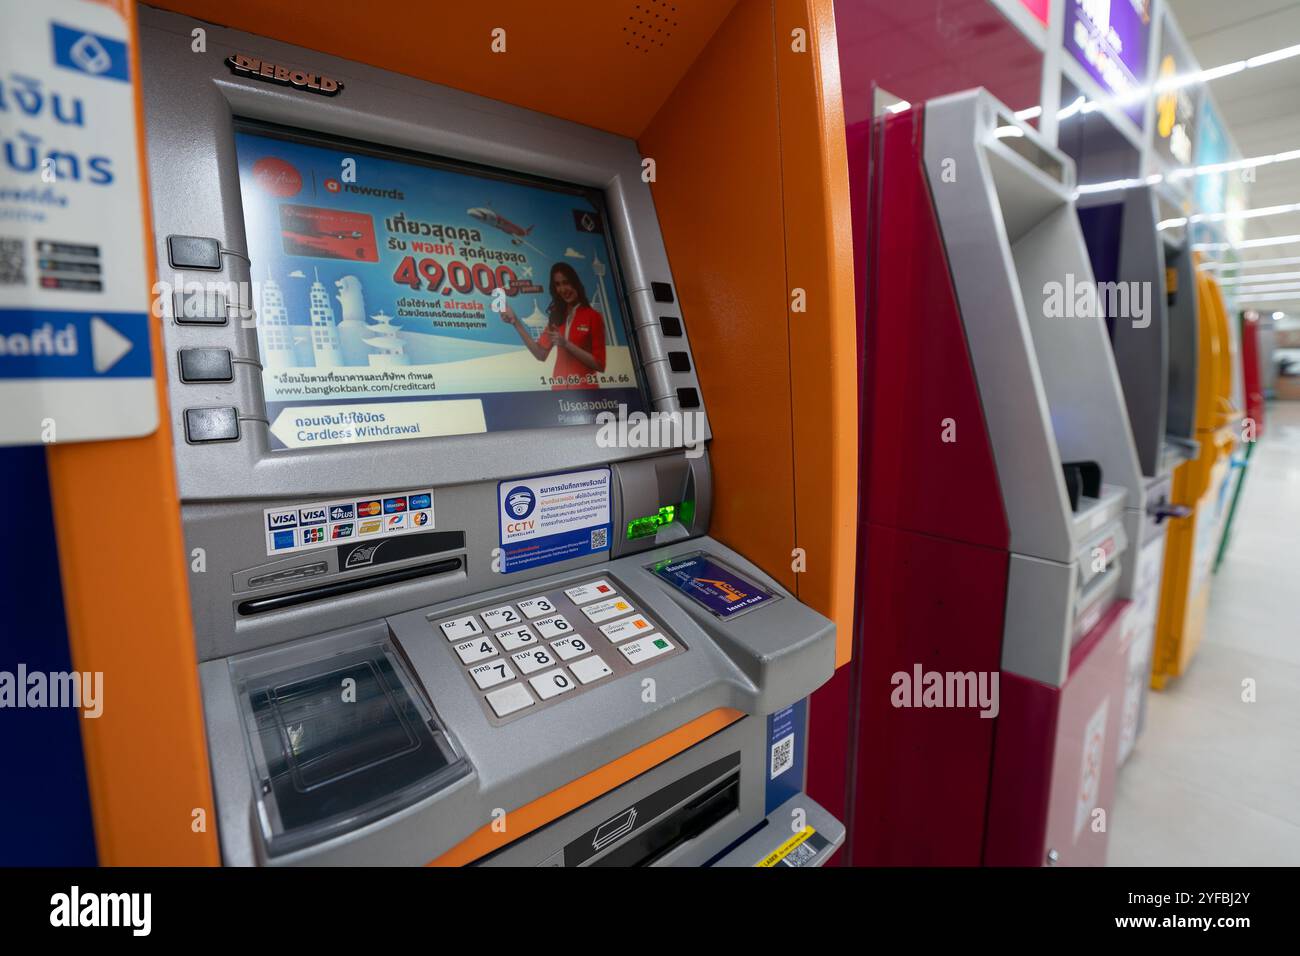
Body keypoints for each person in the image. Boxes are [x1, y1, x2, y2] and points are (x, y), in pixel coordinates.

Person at [502, 262, 606, 389]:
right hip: (559, 393)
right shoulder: (557, 317)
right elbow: (541, 354)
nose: (563, 289)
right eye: (558, 284)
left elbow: (600, 364)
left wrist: (566, 344)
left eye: (566, 282)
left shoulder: (593, 316)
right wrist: (515, 322)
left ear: (576, 283)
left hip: (586, 395)